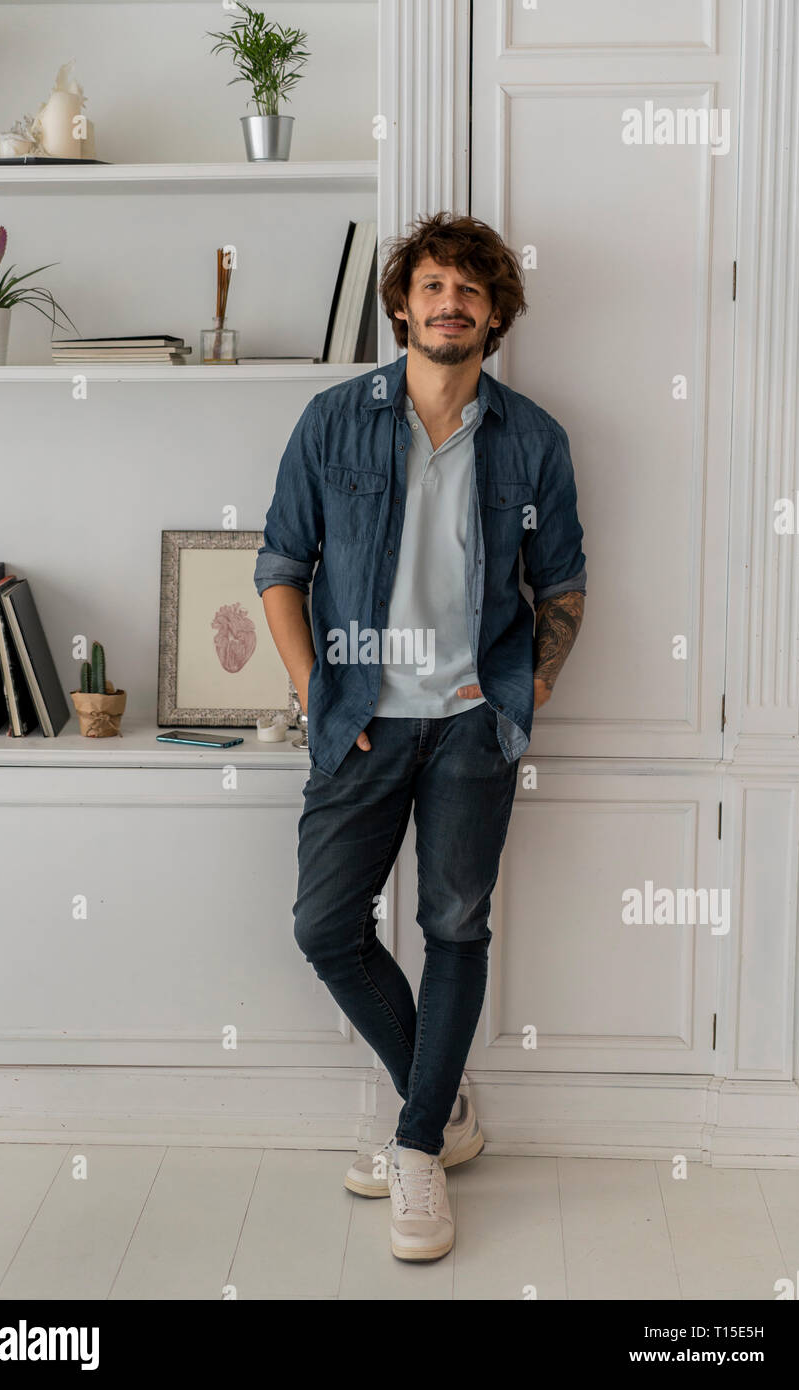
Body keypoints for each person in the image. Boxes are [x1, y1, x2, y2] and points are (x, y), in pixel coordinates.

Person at [253, 212, 586, 1262]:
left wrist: (515, 697)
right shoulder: (331, 421)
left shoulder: (530, 438)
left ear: (493, 317)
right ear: (402, 303)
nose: (450, 303)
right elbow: (278, 567)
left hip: (468, 729)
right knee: (322, 926)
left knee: (453, 928)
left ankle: (414, 1148)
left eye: (470, 292)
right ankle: (439, 1103)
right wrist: (315, 695)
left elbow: (562, 583)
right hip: (357, 720)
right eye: (433, 286)